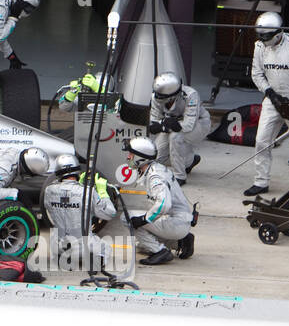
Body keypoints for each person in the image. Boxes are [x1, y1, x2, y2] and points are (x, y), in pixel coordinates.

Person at [244, 13, 289, 197]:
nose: (262, 40)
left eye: (266, 36)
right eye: (259, 36)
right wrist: (269, 93)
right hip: (272, 97)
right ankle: (261, 182)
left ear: (278, 33)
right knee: (262, 140)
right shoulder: (260, 47)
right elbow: (257, 74)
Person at [124, 136, 195, 266]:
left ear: (141, 157)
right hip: (180, 221)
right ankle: (180, 242)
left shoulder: (155, 177)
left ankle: (160, 252)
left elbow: (164, 204)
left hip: (176, 222)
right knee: (141, 246)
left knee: (127, 217)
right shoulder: (154, 168)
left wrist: (144, 219)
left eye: (131, 154)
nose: (128, 157)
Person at [43, 154, 119, 274]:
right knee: (106, 248)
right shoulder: (88, 192)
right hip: (83, 245)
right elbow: (110, 214)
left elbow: (55, 206)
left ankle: (62, 258)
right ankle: (95, 261)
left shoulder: (48, 190)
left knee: (56, 233)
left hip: (58, 244)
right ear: (77, 171)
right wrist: (102, 192)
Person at [147, 72, 206, 184]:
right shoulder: (155, 97)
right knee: (157, 155)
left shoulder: (191, 95)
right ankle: (190, 161)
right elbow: (155, 121)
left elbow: (189, 124)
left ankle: (180, 176)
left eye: (162, 96)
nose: (158, 97)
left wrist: (165, 125)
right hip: (171, 124)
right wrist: (164, 126)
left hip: (198, 124)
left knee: (175, 138)